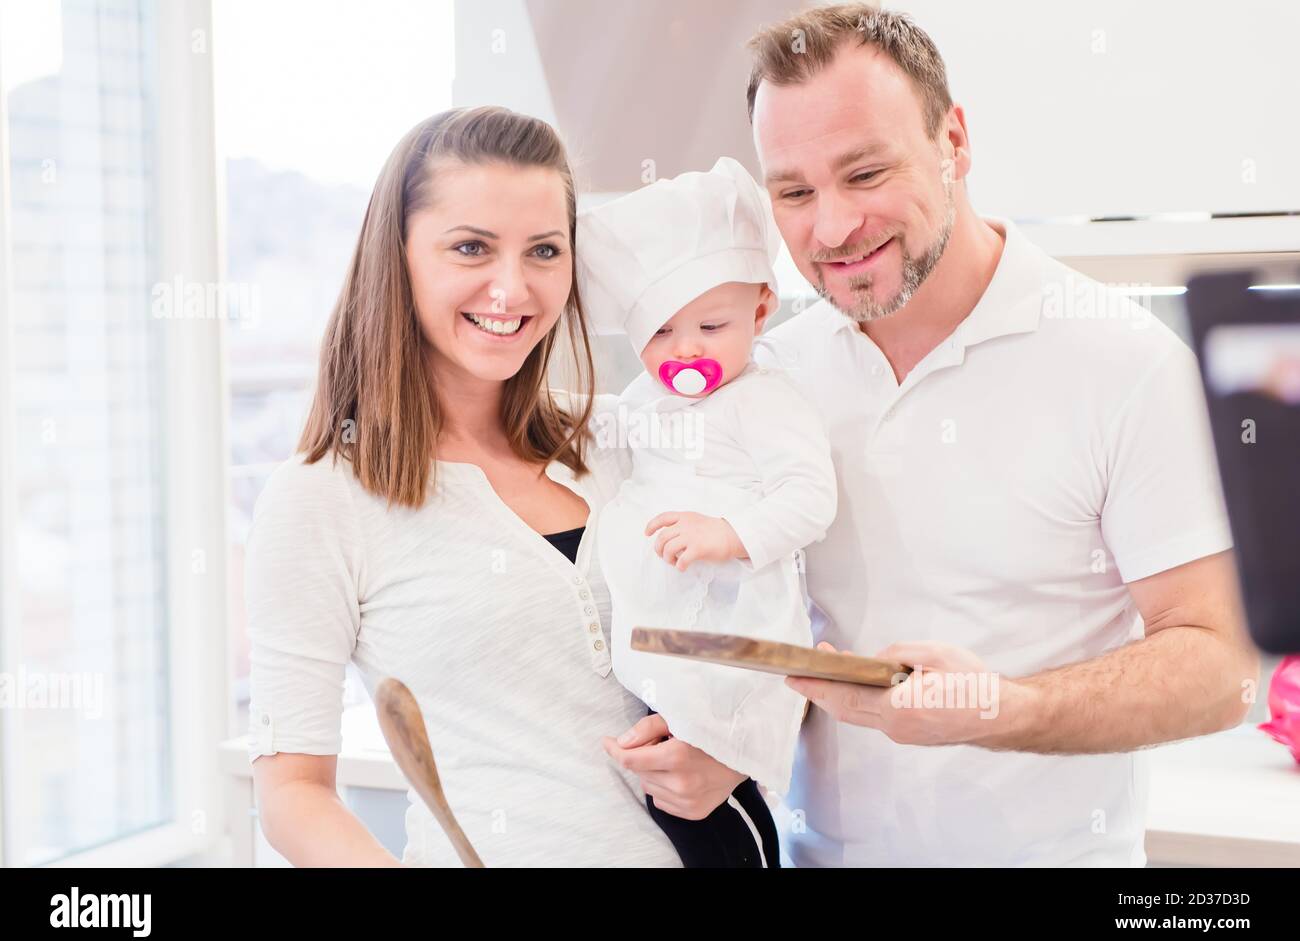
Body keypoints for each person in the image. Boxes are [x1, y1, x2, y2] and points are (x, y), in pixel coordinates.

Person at [743, 4, 1259, 865]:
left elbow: (1221, 667)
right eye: (794, 192)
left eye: (865, 173)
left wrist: (1001, 705)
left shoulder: (1124, 364)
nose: (830, 229)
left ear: (954, 141)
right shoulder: (771, 376)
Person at [245, 106, 739, 867]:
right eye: (471, 247)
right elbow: (292, 794)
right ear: (398, 257)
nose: (512, 289)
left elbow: (766, 635)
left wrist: (734, 752)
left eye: (544, 250)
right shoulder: (321, 497)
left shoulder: (623, 438)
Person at [577, 157, 837, 866]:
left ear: (760, 308)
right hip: (663, 637)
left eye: (711, 325)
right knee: (668, 777)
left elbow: (811, 496)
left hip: (735, 617)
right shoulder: (645, 401)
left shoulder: (763, 397)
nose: (685, 349)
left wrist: (729, 534)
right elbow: (604, 430)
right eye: (659, 335)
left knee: (718, 796)